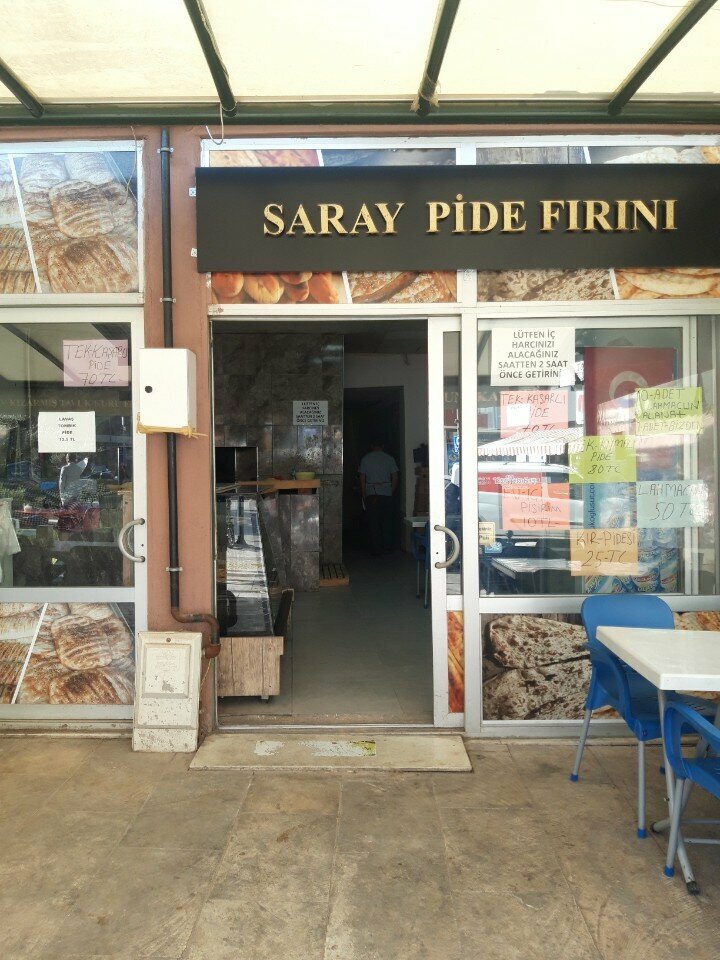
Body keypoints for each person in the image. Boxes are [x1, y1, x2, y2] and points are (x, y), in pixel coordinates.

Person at [359, 438, 399, 556]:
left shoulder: (365, 459)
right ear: (383, 445)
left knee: (373, 522)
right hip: (386, 494)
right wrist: (390, 491)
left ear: (371, 446)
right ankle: (387, 547)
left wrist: (363, 494)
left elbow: (362, 478)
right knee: (387, 521)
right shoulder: (389, 458)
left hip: (371, 494)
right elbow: (395, 477)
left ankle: (376, 549)